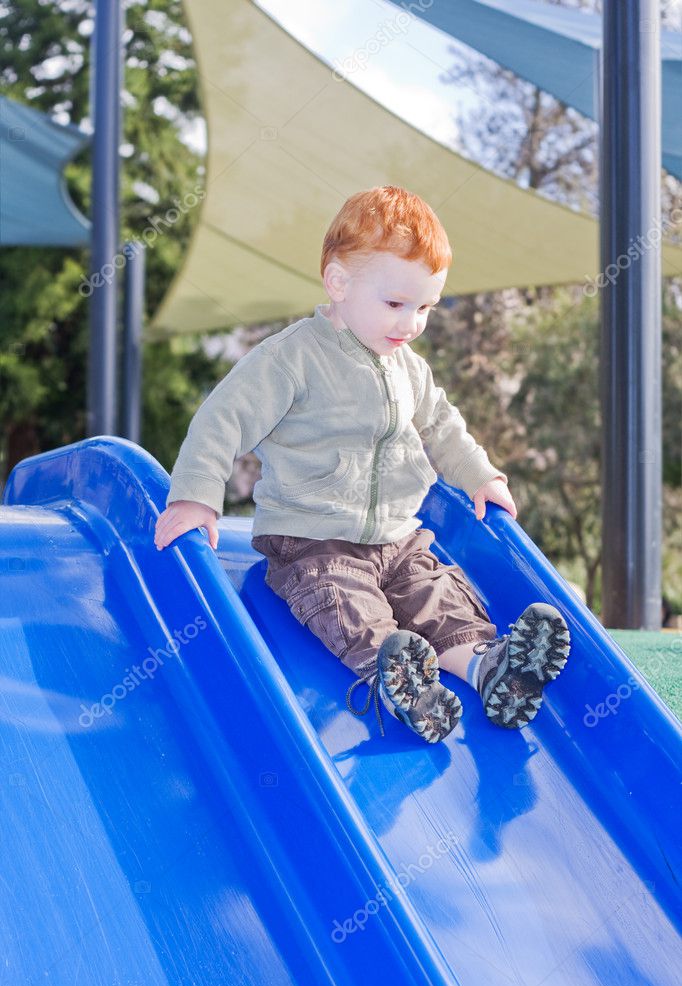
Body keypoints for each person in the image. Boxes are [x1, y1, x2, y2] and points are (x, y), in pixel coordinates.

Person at [154, 185, 570, 743]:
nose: (411, 322)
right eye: (396, 304)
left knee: (437, 594)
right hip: (312, 540)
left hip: (398, 539)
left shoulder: (408, 369)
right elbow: (222, 418)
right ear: (339, 282)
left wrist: (480, 474)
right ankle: (396, 677)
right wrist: (195, 495)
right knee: (348, 604)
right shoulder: (293, 358)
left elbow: (442, 425)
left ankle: (487, 668)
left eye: (425, 307)